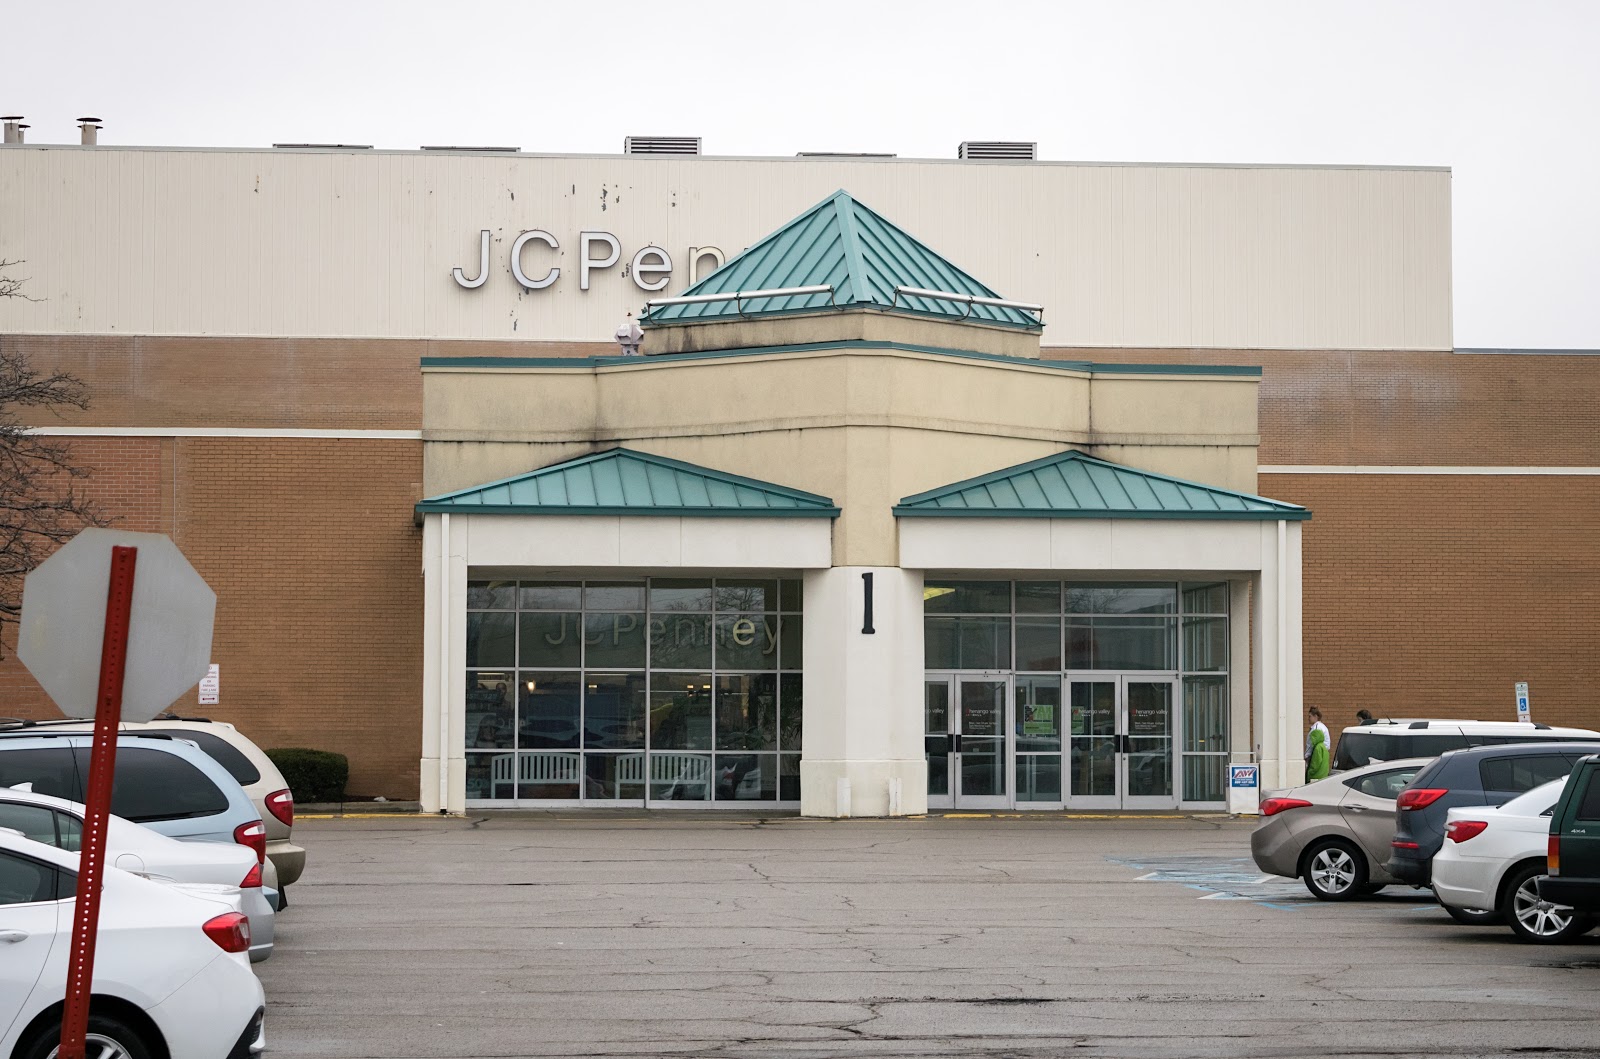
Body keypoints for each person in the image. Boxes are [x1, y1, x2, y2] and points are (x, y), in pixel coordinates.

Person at [1305, 706, 1331, 773]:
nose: (1308, 718)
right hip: (1323, 754)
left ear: (1315, 716)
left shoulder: (1316, 728)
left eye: (1310, 716)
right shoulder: (1323, 727)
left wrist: (1307, 756)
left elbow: (1311, 743)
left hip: (1316, 755)